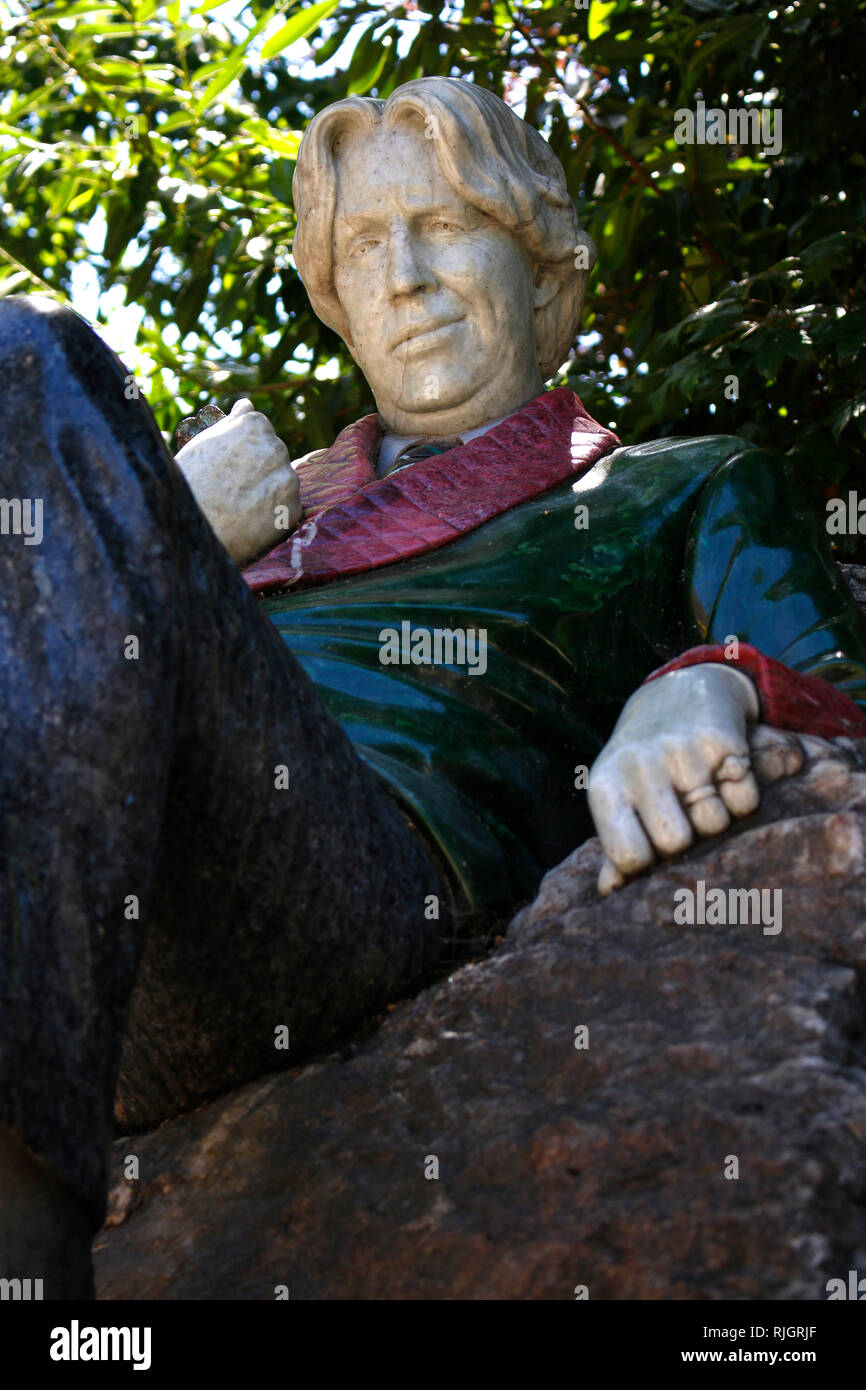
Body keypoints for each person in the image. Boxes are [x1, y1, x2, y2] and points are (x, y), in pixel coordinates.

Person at [1, 76, 864, 1300]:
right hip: (104, 888)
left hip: (363, 883)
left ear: (544, 267)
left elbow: (839, 680)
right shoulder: (248, 504)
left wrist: (706, 683)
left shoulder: (675, 484)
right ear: (336, 304)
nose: (403, 275)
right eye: (363, 245)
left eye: (445, 224)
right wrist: (183, 521)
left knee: (28, 361)